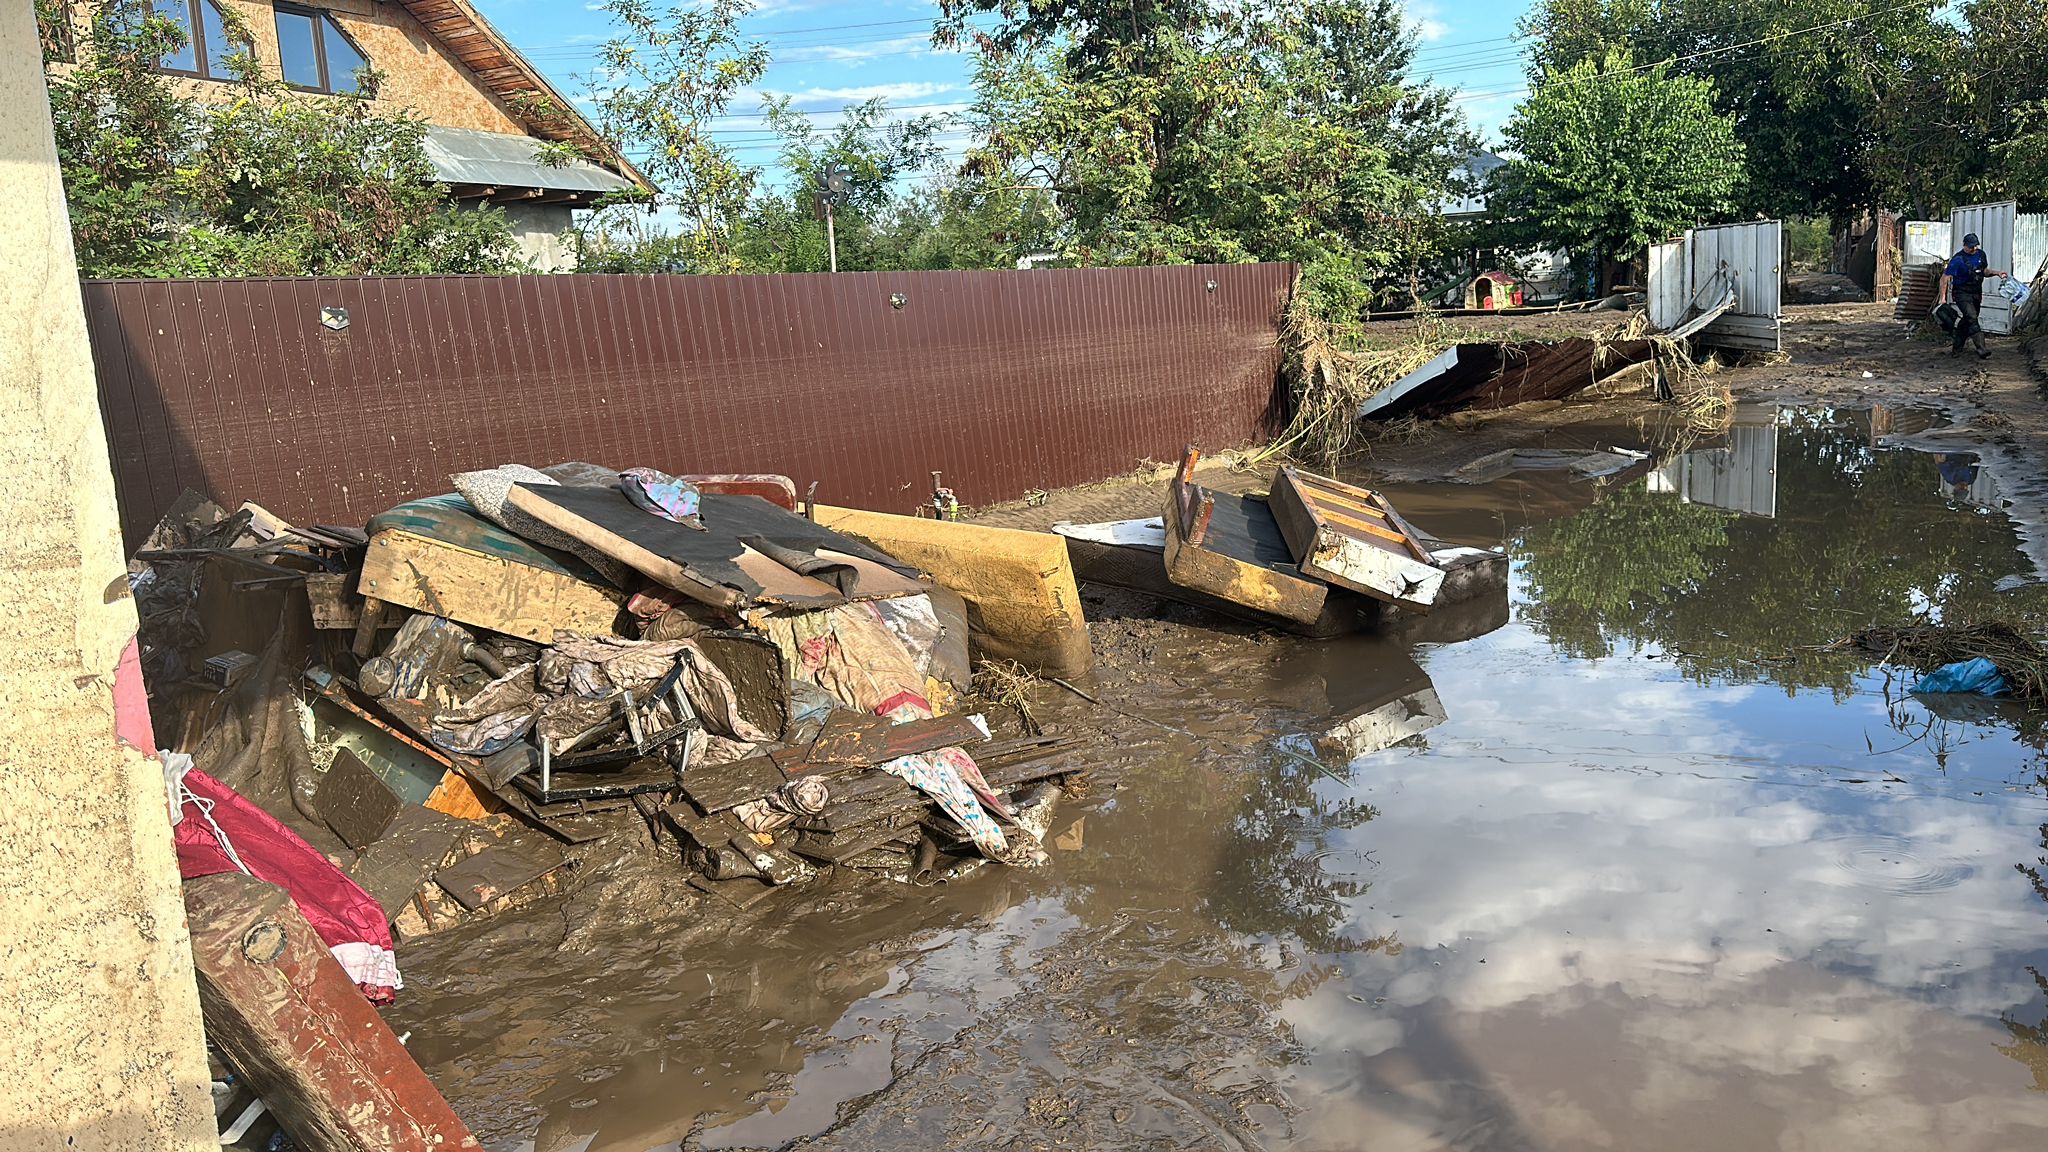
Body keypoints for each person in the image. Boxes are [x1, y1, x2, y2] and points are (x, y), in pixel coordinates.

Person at [1939, 232, 2007, 359]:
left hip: (1976, 292)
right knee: (1971, 316)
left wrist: (1997, 273)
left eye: (1975, 246)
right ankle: (1981, 348)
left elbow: (1984, 271)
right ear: (1964, 245)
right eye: (1971, 246)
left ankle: (1957, 347)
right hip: (1961, 292)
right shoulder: (1957, 260)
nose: (1974, 249)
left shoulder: (1981, 255)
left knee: (1967, 319)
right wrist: (1942, 298)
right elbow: (1945, 278)